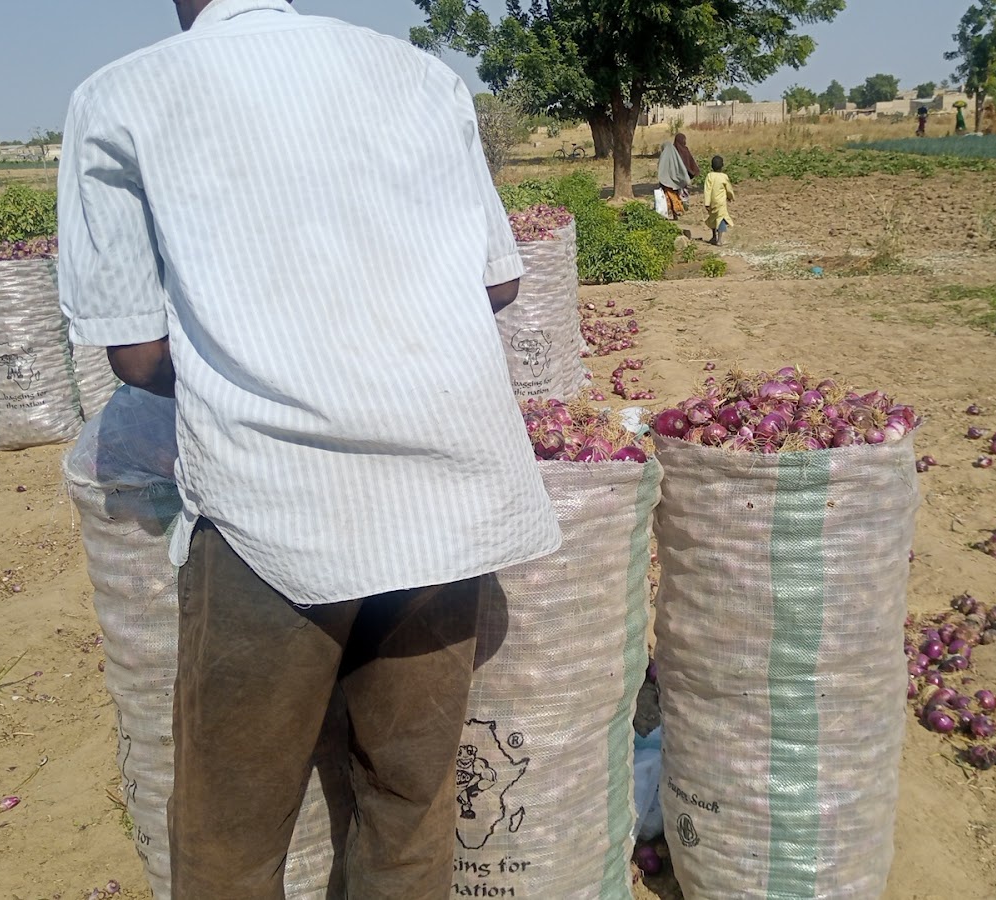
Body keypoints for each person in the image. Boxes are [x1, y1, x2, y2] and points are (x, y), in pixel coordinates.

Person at [56, 2, 562, 898]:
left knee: (232, 829)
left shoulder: (123, 95)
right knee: (409, 801)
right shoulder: (419, 75)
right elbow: (499, 280)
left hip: (274, 507)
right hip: (445, 495)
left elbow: (134, 354)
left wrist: (276, 363)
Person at [657, 132, 699, 219]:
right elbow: (680, 166)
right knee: (675, 196)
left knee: (669, 197)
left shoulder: (669, 153)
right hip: (677, 179)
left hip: (666, 181)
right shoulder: (674, 152)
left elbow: (661, 169)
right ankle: (677, 211)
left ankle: (672, 212)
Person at [702, 155, 735, 247]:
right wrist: (730, 197)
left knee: (713, 218)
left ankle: (714, 237)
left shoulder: (709, 176)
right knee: (721, 219)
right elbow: (728, 189)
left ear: (711, 166)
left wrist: (707, 203)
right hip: (721, 202)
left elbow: (707, 190)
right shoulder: (724, 177)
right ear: (722, 166)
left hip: (712, 202)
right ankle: (719, 240)